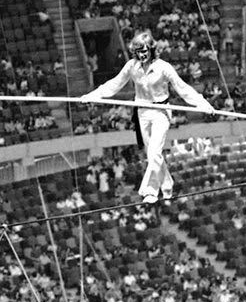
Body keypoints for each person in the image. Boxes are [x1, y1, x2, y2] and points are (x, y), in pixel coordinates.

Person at [81, 30, 215, 203]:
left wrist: (203, 104)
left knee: (153, 152)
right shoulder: (131, 66)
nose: (142, 55)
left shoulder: (163, 68)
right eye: (138, 52)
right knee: (153, 155)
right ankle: (167, 186)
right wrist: (93, 96)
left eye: (145, 51)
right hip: (141, 112)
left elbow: (183, 89)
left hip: (161, 111)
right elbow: (114, 84)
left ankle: (150, 191)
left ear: (152, 49)